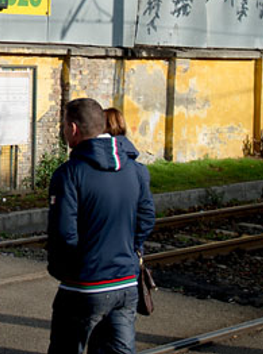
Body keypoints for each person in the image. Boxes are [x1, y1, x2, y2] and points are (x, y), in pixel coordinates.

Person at [46, 98, 155, 354]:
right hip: (126, 282)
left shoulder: (69, 174)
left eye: (64, 126)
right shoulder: (137, 170)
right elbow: (147, 218)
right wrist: (131, 249)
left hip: (84, 283)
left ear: (73, 129)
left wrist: (68, 267)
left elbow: (63, 233)